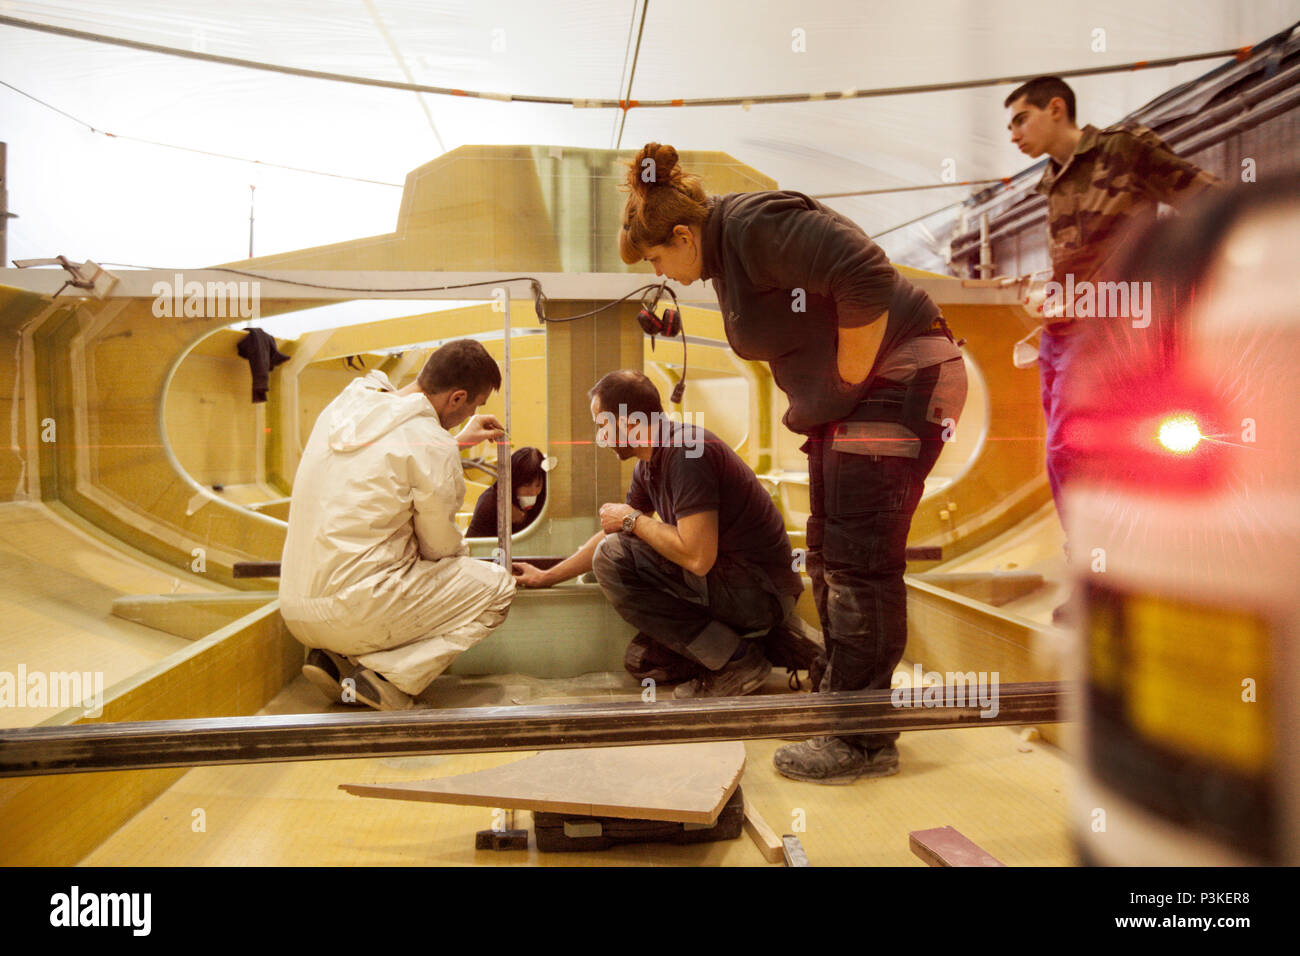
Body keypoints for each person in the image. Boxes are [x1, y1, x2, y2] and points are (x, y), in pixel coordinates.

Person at [617, 143, 967, 783]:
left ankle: (862, 741)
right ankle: (842, 702)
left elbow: (865, 274)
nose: (663, 272)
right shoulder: (725, 261)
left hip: (902, 381)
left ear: (683, 234)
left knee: (860, 563)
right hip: (861, 404)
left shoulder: (753, 225)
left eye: (660, 258)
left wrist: (847, 387)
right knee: (831, 554)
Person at [1003, 76, 1222, 531]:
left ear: (1056, 109)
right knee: (1063, 450)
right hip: (1060, 331)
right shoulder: (1051, 181)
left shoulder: (1123, 149)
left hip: (1111, 325)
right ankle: (1091, 556)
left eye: (1021, 120)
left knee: (1077, 446)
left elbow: (1209, 202)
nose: (1013, 135)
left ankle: (1104, 556)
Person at [511, 369, 804, 698]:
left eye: (603, 424)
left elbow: (697, 557)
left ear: (631, 422)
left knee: (613, 556)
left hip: (758, 592)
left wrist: (632, 520)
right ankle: (764, 645)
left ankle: (737, 661)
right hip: (736, 586)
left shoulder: (686, 451)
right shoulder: (648, 465)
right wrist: (546, 577)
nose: (601, 436)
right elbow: (613, 534)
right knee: (643, 661)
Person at [278, 339, 516, 711]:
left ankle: (337, 661)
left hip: (294, 608)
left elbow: (389, 455)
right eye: (475, 404)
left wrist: (452, 444)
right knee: (497, 586)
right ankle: (384, 678)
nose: (469, 413)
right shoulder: (432, 444)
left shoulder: (348, 404)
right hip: (352, 612)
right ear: (457, 399)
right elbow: (440, 549)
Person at [464, 446, 548, 538]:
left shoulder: (545, 498)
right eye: (526, 485)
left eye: (538, 485)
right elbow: (474, 544)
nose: (533, 492)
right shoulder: (490, 503)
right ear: (513, 482)